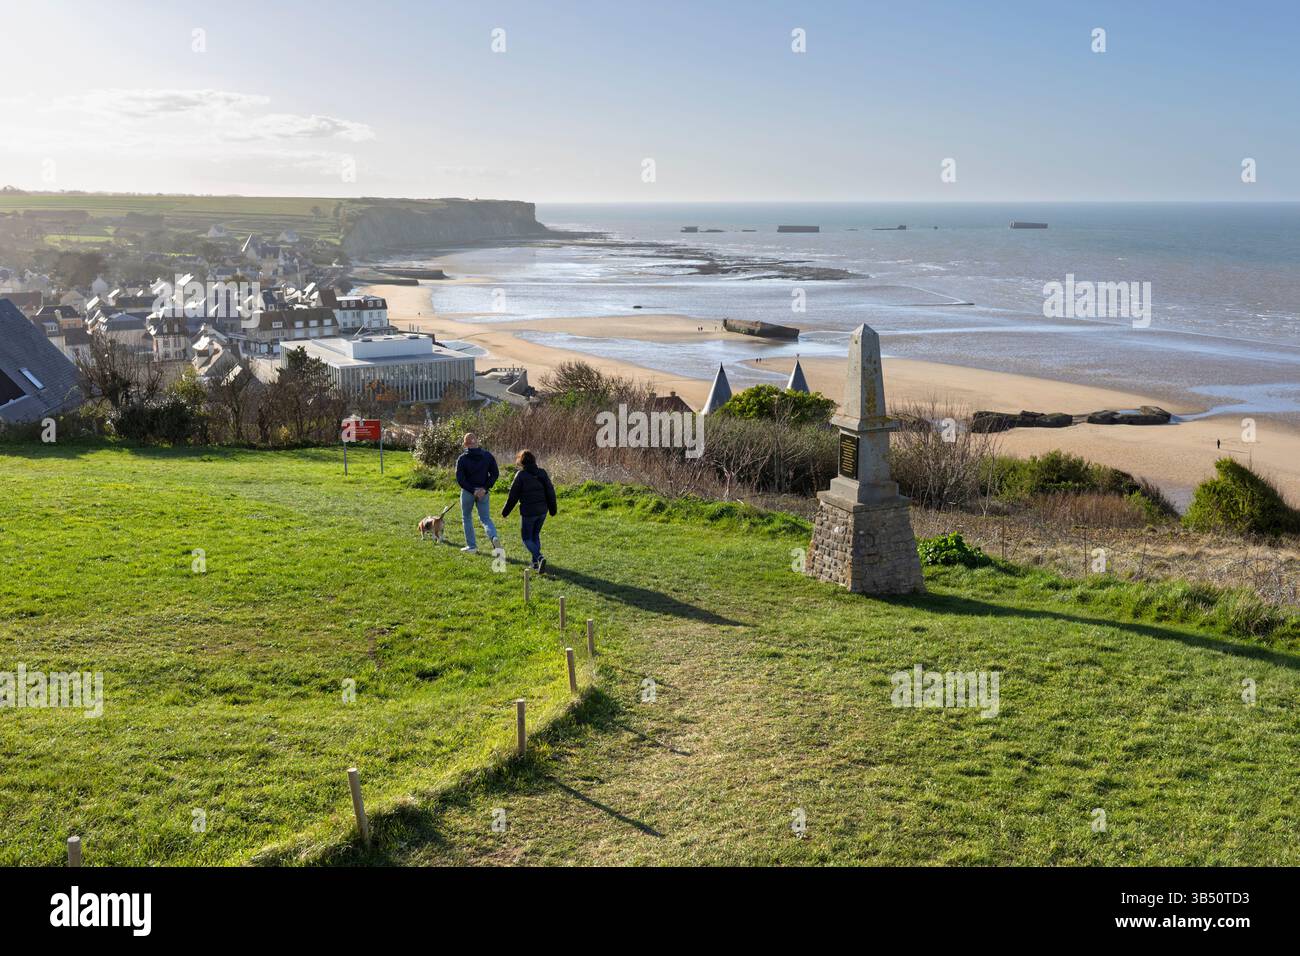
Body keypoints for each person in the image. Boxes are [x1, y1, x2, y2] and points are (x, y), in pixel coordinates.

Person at [501, 449, 557, 573]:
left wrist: (505, 512)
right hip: (542, 511)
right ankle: (535, 563)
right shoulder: (542, 473)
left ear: (521, 462)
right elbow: (550, 492)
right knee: (535, 535)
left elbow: (513, 496)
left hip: (528, 512)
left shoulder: (520, 476)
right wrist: (553, 509)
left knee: (526, 538)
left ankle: (539, 557)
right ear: (534, 460)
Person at [454, 432, 501, 554]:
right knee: (485, 518)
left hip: (468, 492)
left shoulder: (462, 459)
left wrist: (472, 490)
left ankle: (472, 546)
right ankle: (494, 537)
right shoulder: (487, 456)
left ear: (465, 444)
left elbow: (460, 479)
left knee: (466, 517)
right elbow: (495, 474)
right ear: (477, 441)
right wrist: (484, 488)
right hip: (483, 492)